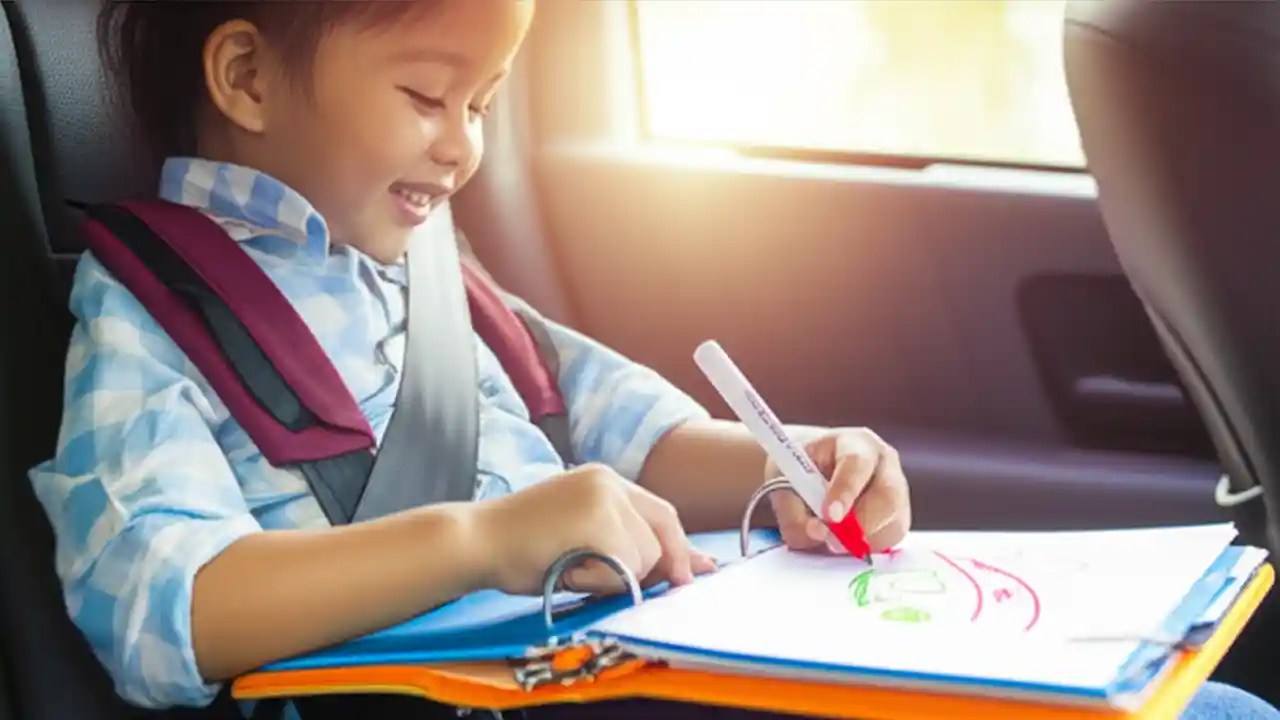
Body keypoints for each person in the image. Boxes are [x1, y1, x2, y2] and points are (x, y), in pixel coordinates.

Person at [26, 2, 1275, 720]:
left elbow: (629, 429)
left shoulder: (431, 271)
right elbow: (160, 608)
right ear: (245, 75)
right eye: (427, 94)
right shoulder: (152, 314)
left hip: (633, 666)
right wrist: (478, 538)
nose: (462, 148)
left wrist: (793, 463)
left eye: (487, 102)